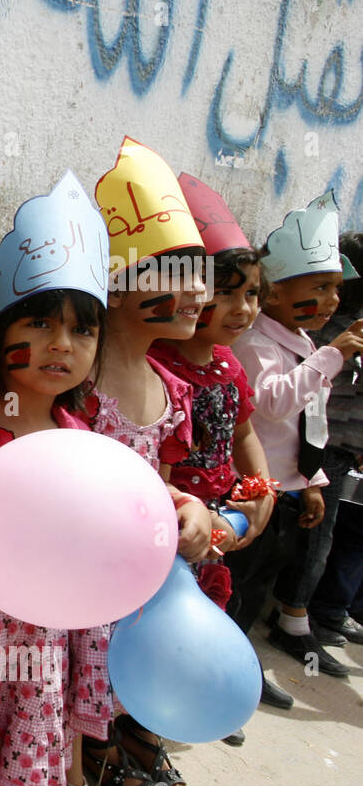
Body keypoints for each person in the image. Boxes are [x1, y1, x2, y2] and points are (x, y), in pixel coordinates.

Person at [0, 170, 125, 786]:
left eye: (82, 330)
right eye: (42, 322)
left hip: (47, 628)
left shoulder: (79, 433)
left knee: (30, 720)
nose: (63, 344)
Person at [80, 137, 216, 786]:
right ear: (116, 280)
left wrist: (188, 504)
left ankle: (126, 730)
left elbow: (158, 480)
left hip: (138, 576)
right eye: (173, 270)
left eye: (200, 271)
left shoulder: (169, 387)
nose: (199, 288)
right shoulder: (78, 380)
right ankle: (88, 754)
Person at [148, 173, 276, 737]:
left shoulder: (228, 363)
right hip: (174, 518)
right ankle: (147, 713)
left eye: (251, 293)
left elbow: (245, 433)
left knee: (209, 605)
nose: (240, 307)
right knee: (163, 619)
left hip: (223, 515)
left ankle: (202, 694)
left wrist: (261, 489)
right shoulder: (159, 364)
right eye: (223, 290)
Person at [227, 193, 363, 682]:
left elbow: (310, 416)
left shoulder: (302, 340)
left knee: (261, 585)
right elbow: (274, 403)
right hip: (253, 492)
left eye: (336, 290)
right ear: (276, 293)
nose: (332, 301)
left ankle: (240, 665)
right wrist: (331, 358)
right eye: (321, 287)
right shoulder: (258, 343)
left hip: (287, 489)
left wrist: (312, 478)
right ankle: (223, 667)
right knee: (236, 588)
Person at [305, 233, 363, 643]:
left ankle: (318, 611)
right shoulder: (336, 333)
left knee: (328, 540)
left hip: (340, 451)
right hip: (323, 449)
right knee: (316, 541)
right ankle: (301, 615)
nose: (332, 298)